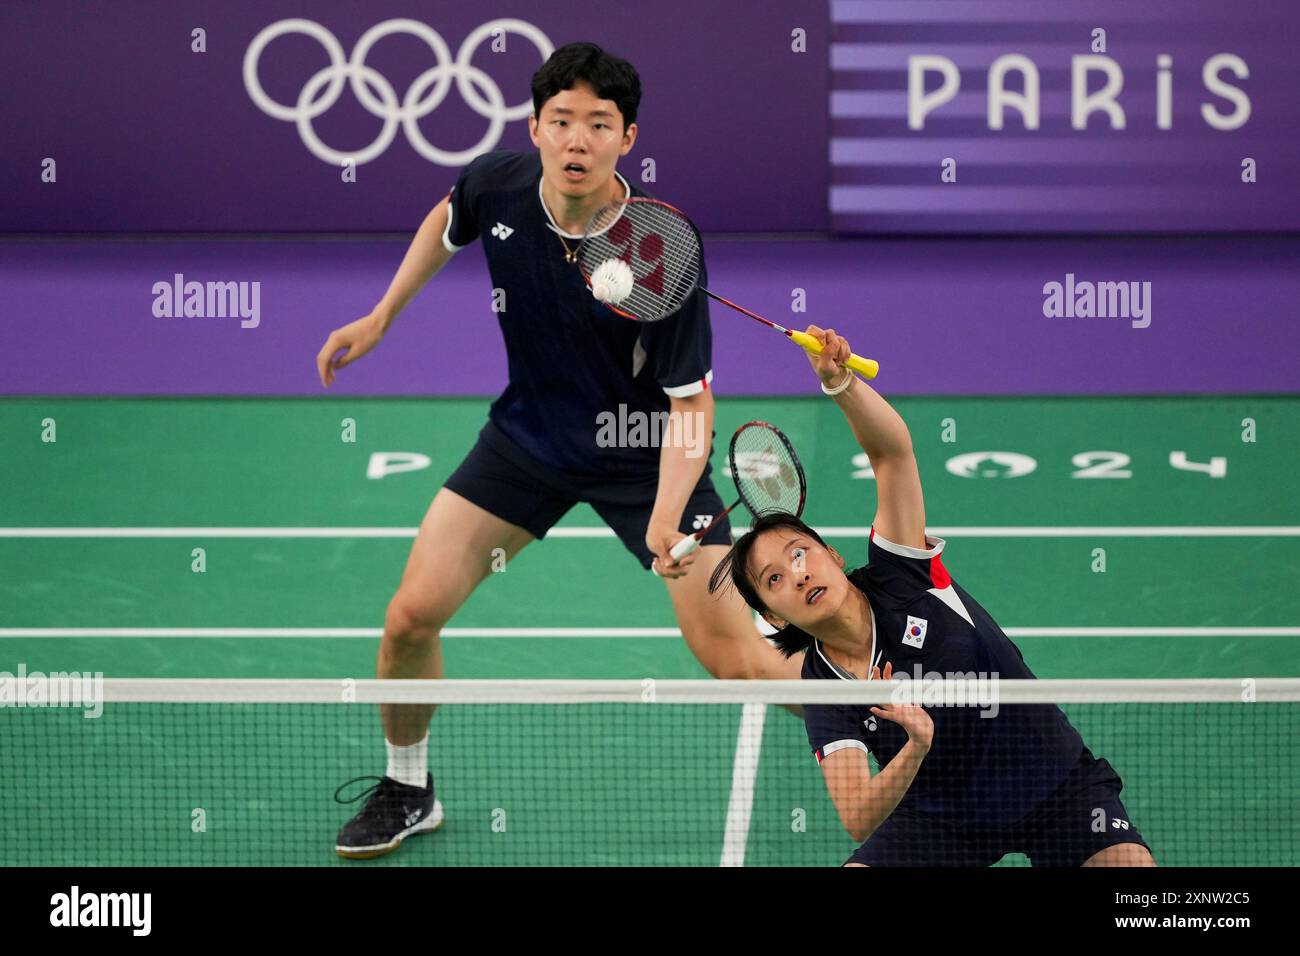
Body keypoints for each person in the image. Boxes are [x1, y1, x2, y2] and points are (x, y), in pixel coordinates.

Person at [317, 42, 800, 860]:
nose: (578, 140)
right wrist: (381, 316)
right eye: (562, 121)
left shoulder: (664, 245)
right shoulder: (496, 184)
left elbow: (692, 404)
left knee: (736, 660)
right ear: (534, 127)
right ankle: (408, 786)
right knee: (408, 618)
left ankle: (889, 718)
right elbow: (448, 218)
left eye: (598, 125)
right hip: (528, 438)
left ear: (627, 138)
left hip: (644, 453)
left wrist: (665, 511)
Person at [708, 326, 1156, 867]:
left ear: (832, 554)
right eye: (774, 580)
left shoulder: (902, 573)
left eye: (800, 555)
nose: (797, 576)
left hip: (1052, 787)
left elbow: (891, 455)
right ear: (772, 616)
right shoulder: (826, 688)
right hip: (940, 820)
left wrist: (840, 383)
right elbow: (856, 813)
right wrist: (915, 745)